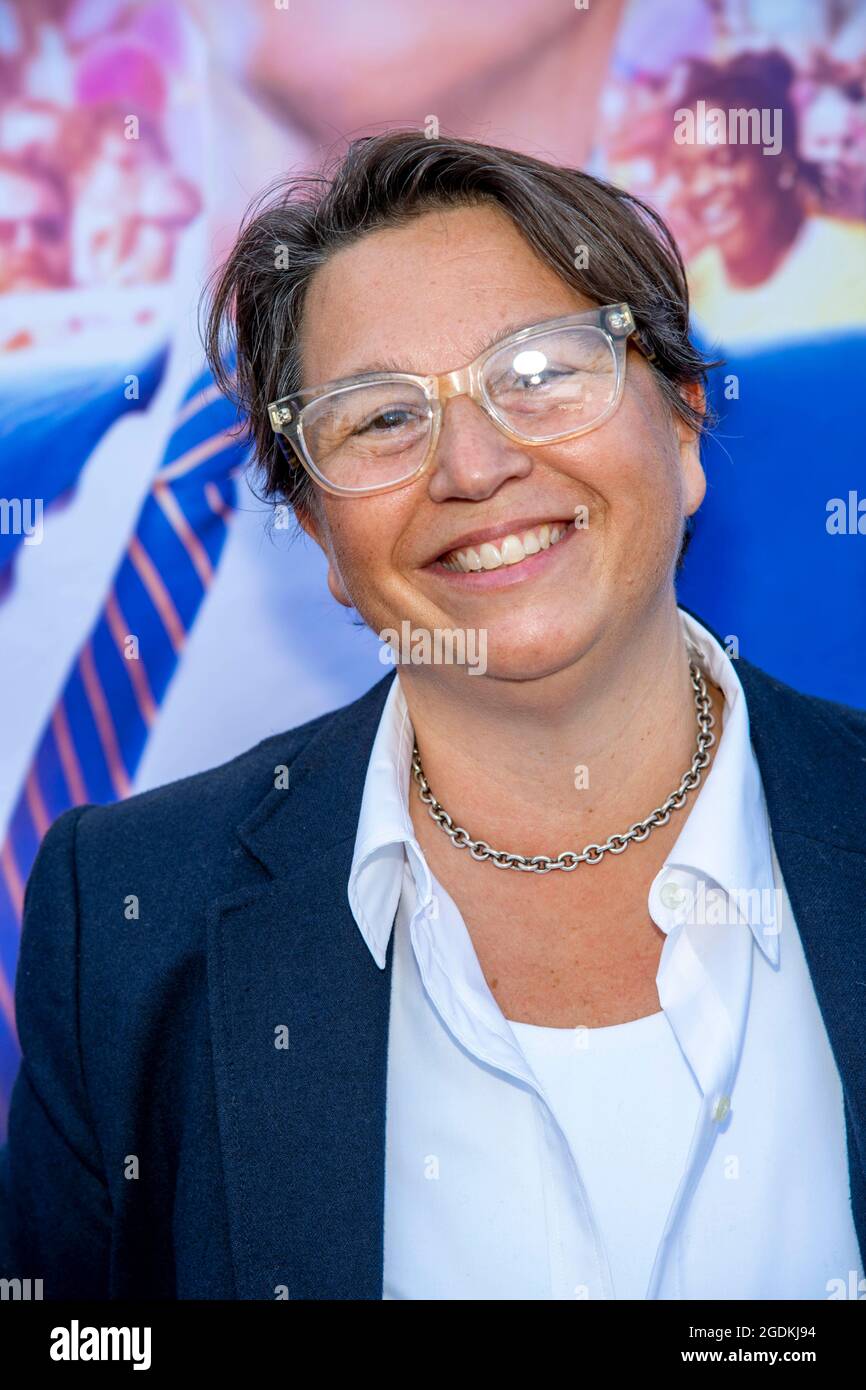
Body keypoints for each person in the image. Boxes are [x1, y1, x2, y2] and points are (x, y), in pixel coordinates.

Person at [1, 132, 863, 1301]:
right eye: (379, 419)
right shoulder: (125, 914)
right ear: (321, 544)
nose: (471, 462)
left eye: (542, 370)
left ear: (680, 424)